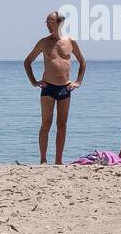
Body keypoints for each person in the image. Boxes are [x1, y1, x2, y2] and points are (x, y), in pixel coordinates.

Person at [23, 10, 86, 164]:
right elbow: (27, 61)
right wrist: (34, 81)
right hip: (48, 87)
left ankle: (59, 160)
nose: (48, 26)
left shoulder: (70, 42)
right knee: (46, 123)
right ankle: (43, 159)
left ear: (60, 23)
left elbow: (83, 62)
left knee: (62, 125)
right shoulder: (44, 42)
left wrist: (78, 81)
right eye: (47, 23)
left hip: (65, 87)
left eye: (51, 22)